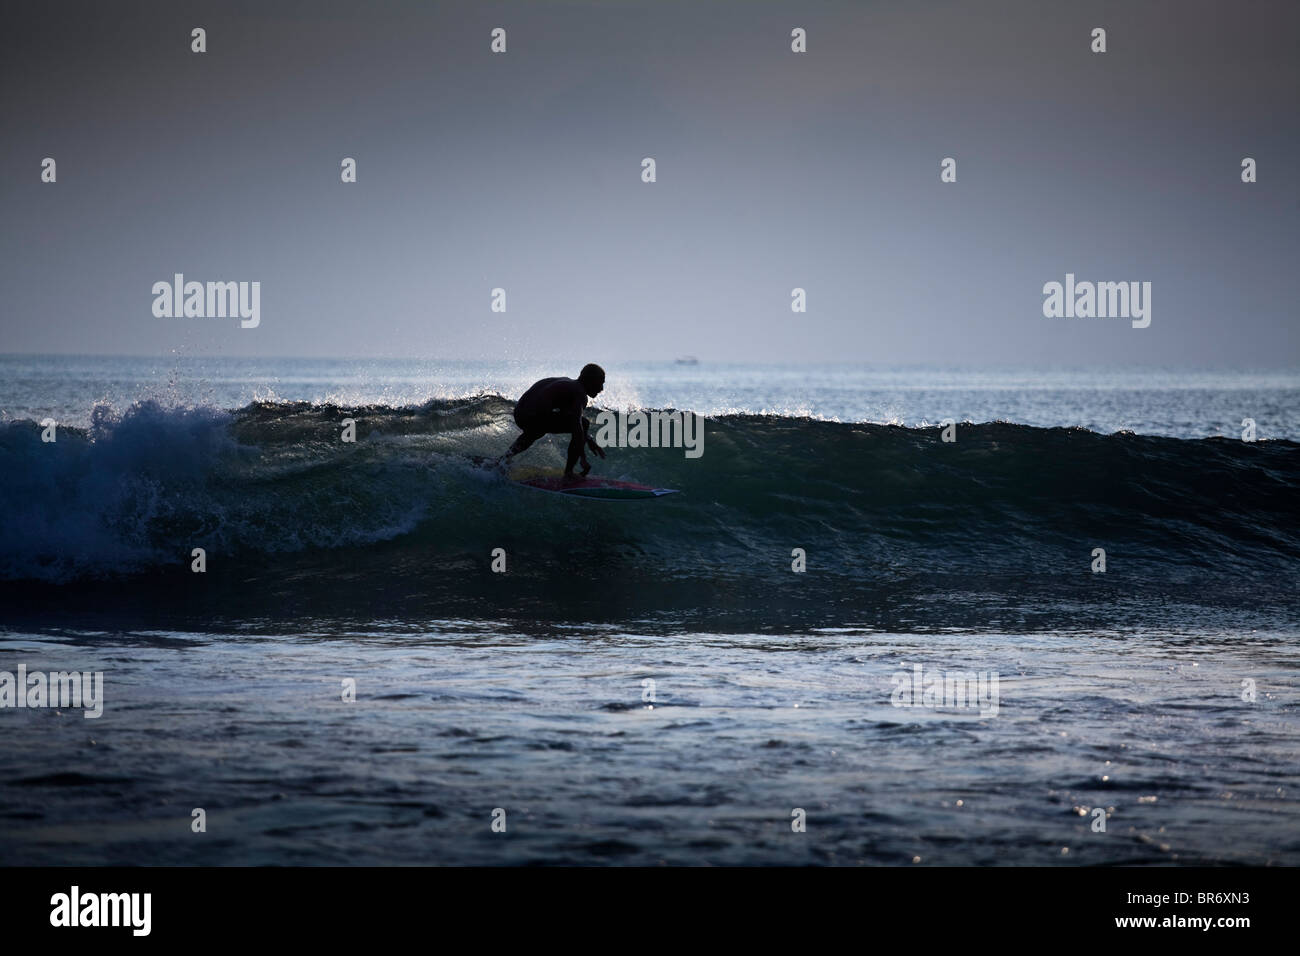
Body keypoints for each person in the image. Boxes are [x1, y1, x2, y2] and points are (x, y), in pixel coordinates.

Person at [501, 364, 607, 477]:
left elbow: (567, 416)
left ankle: (503, 460)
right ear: (590, 381)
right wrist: (583, 459)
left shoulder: (568, 384)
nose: (601, 389)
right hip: (533, 416)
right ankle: (569, 473)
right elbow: (577, 426)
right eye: (600, 383)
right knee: (584, 423)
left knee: (537, 430)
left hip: (520, 413)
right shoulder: (579, 392)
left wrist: (588, 440)